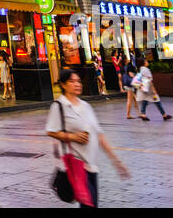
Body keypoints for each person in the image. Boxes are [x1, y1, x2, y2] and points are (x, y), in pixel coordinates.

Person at [46, 68, 130, 206]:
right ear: (63, 84)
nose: (77, 84)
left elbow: (99, 135)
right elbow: (51, 131)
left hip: (92, 166)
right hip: (77, 165)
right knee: (90, 204)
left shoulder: (86, 106)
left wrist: (116, 161)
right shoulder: (59, 106)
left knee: (90, 203)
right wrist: (72, 137)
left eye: (78, 81)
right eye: (72, 81)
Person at [133, 57, 172, 121]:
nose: (147, 62)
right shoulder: (146, 70)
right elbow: (150, 81)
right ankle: (164, 115)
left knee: (145, 100)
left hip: (143, 88)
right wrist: (154, 90)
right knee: (157, 101)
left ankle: (143, 114)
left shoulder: (139, 69)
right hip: (149, 89)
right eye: (146, 61)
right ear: (143, 63)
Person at [120, 54, 138, 119]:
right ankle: (128, 114)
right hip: (130, 83)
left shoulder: (121, 67)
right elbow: (131, 74)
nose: (128, 60)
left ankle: (139, 113)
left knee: (135, 98)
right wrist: (136, 78)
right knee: (129, 99)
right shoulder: (128, 66)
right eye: (127, 59)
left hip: (125, 83)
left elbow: (120, 76)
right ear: (125, 60)